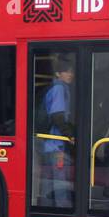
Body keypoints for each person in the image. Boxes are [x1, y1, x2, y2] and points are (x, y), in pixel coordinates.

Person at [38, 59, 75, 208]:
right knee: (60, 183)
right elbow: (58, 116)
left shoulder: (52, 87)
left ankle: (45, 209)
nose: (70, 74)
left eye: (71, 71)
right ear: (58, 73)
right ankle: (63, 211)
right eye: (67, 71)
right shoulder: (60, 88)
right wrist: (70, 135)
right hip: (57, 144)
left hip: (48, 144)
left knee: (48, 182)